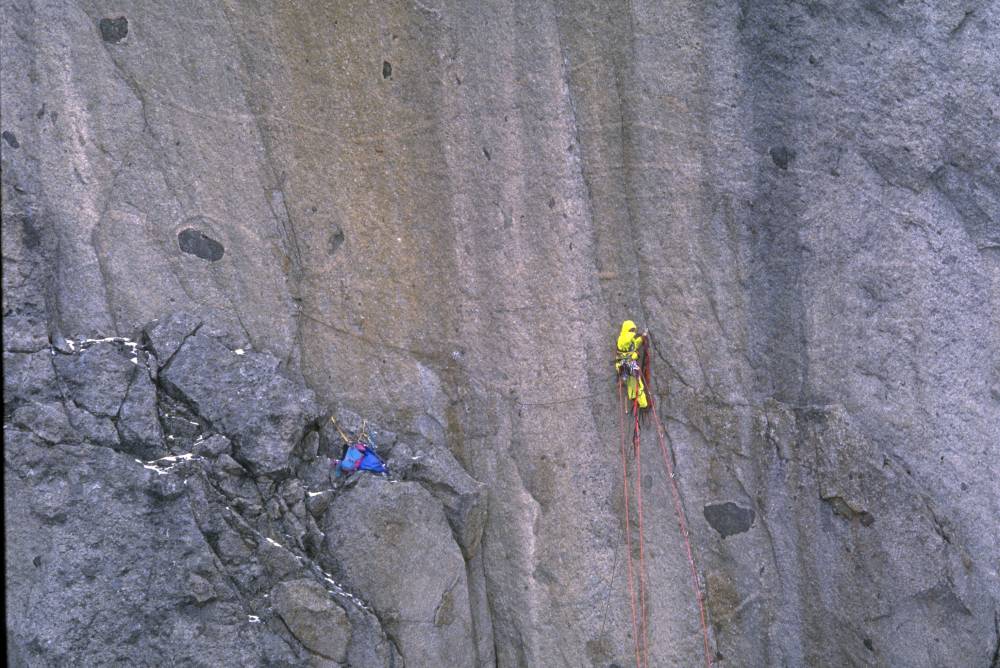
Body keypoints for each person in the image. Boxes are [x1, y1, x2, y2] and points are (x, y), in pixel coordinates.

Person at [616, 320, 648, 409]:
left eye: (633, 330)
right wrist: (635, 355)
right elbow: (626, 355)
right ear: (626, 330)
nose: (633, 332)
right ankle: (643, 404)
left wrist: (642, 338)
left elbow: (634, 345)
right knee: (638, 384)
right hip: (626, 364)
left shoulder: (628, 339)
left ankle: (633, 397)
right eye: (631, 330)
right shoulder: (623, 340)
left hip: (626, 365)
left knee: (632, 383)